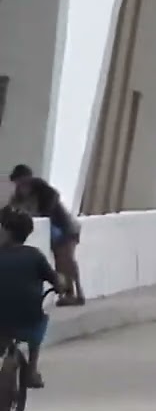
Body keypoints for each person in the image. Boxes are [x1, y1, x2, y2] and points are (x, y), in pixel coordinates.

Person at [0, 206, 68, 388]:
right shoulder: (34, 255)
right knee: (41, 321)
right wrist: (61, 285)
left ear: (5, 231)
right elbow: (57, 281)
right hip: (28, 319)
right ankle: (31, 370)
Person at [9, 165, 84, 306]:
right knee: (61, 262)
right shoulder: (20, 195)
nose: (20, 185)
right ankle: (70, 294)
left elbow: (47, 209)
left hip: (64, 228)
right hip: (55, 230)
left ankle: (77, 293)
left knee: (66, 260)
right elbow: (13, 208)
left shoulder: (44, 191)